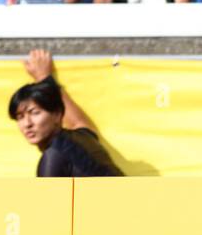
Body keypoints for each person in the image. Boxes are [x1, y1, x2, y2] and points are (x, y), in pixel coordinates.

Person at [10, 48, 122, 177]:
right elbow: (77, 122)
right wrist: (44, 78)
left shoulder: (53, 157)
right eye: (20, 117)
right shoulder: (82, 137)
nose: (27, 124)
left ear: (58, 115)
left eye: (35, 113)